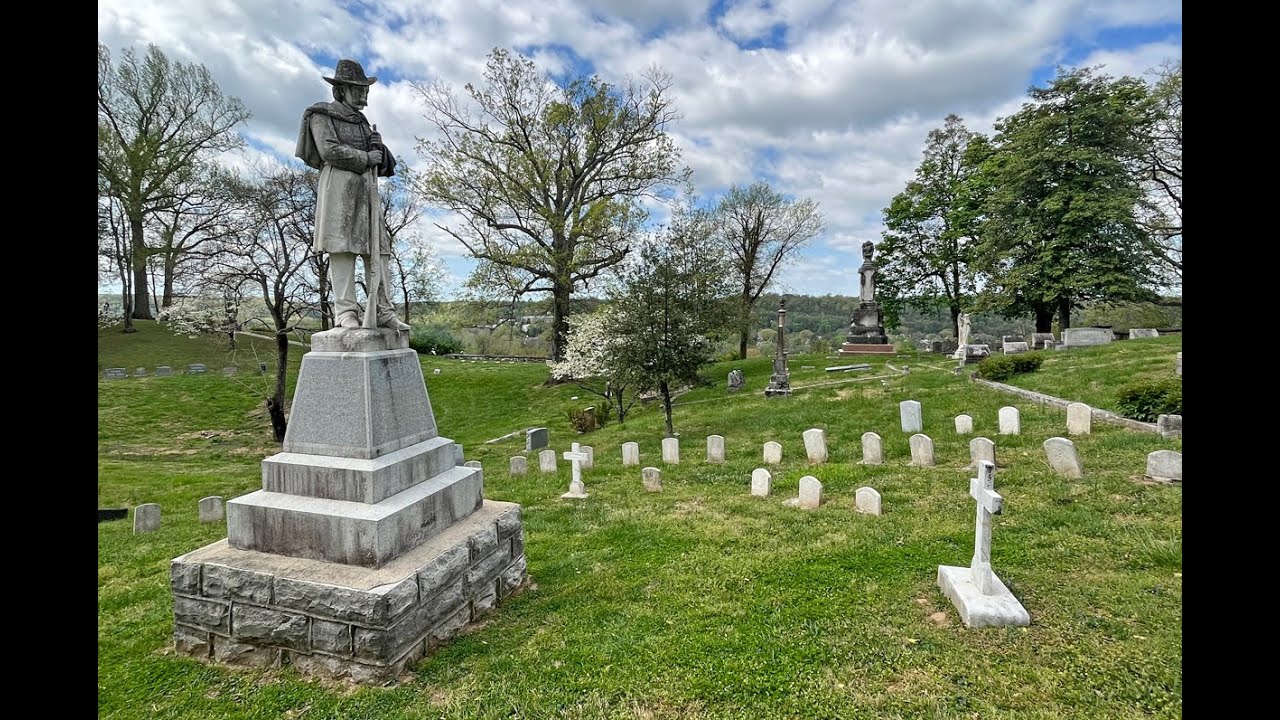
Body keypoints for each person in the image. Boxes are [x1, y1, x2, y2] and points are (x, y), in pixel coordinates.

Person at [295, 59, 409, 331]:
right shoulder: (320, 115)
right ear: (341, 89)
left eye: (365, 90)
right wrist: (365, 157)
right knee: (342, 250)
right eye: (357, 89)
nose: (363, 95)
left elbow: (383, 163)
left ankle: (383, 311)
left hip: (367, 193)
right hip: (339, 189)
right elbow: (328, 150)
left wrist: (379, 149)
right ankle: (345, 312)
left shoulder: (362, 124)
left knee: (379, 250)